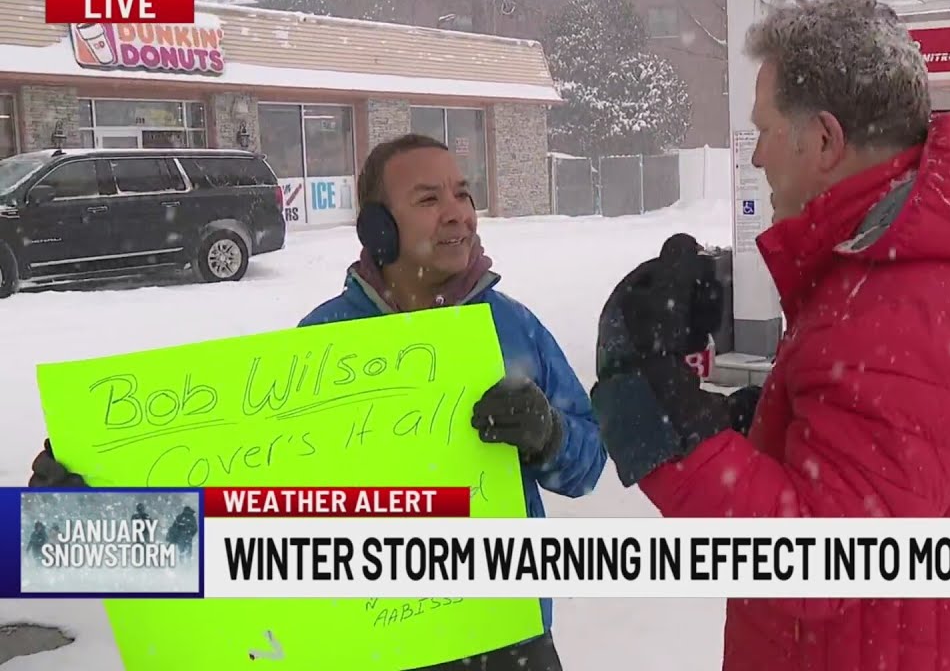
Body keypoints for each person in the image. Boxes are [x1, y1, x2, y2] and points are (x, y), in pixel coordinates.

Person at [590, 0, 950, 671]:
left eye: (765, 129)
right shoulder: (894, 267)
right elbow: (871, 475)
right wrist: (750, 422)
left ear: (823, 140)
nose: (756, 156)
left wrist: (663, 424)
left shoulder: (912, 303)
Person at [29, 133, 608, 671]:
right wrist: (91, 508)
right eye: (429, 198)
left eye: (462, 193)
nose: (457, 211)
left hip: (504, 638)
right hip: (363, 643)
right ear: (379, 228)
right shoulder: (321, 347)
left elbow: (587, 465)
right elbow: (250, 497)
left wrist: (549, 434)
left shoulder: (513, 328)